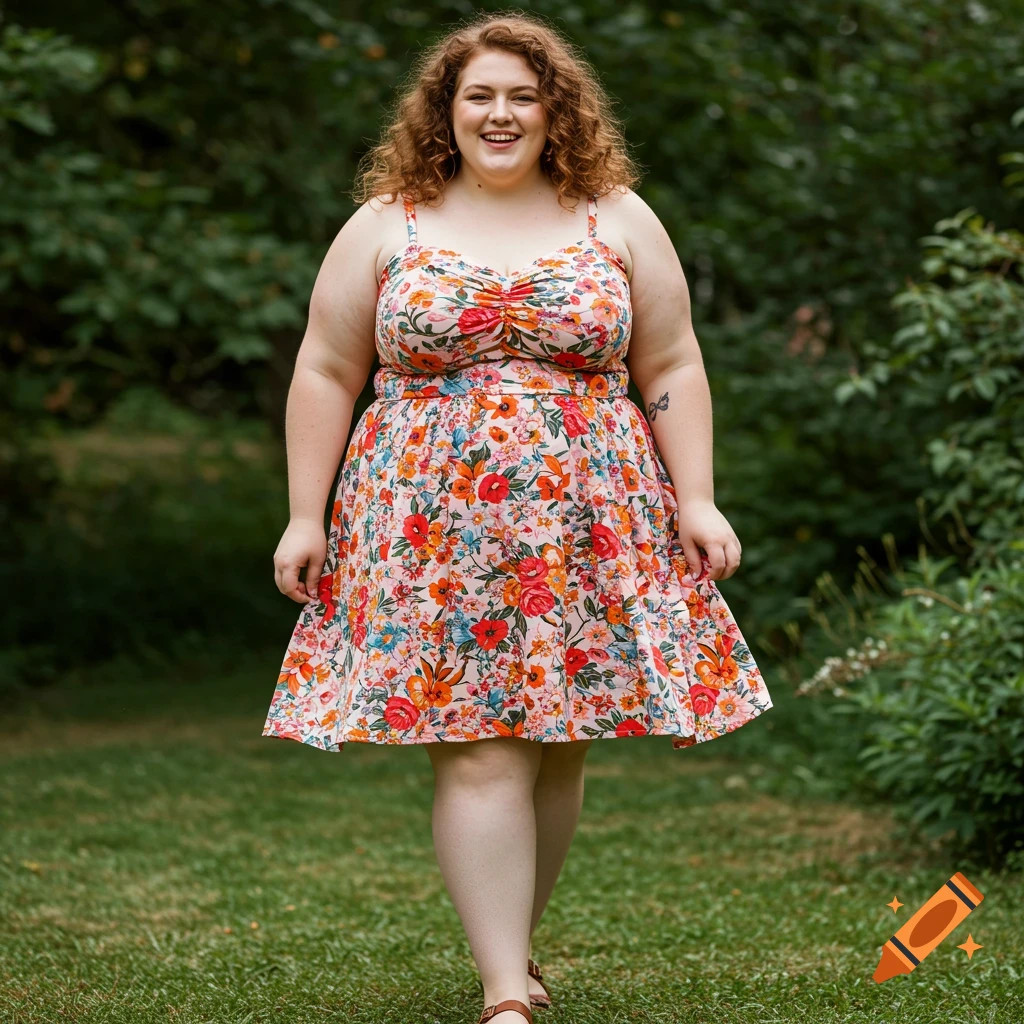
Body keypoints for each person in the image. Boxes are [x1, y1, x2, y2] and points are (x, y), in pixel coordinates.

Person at [262, 10, 772, 1024]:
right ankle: (506, 996)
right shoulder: (387, 224)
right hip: (430, 525)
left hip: (589, 517)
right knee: (481, 740)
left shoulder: (615, 215)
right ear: (446, 113)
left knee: (558, 738)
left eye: (521, 95)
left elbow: (669, 361)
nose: (500, 114)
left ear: (555, 110)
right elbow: (325, 368)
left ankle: (512, 949)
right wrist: (301, 515)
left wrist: (699, 495)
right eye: (478, 95)